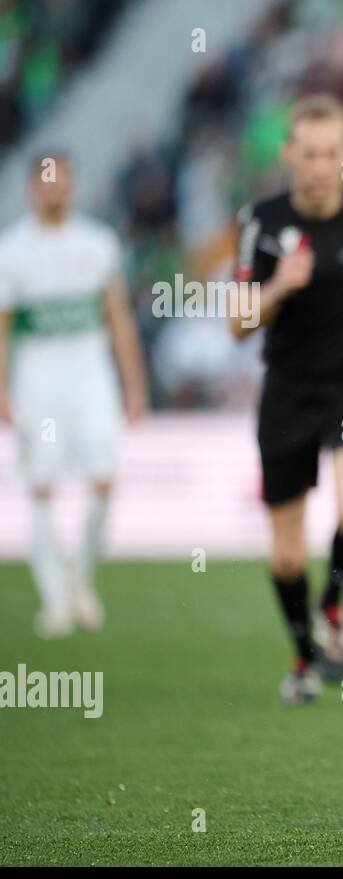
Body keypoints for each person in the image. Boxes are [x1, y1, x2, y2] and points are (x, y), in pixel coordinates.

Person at [230, 94, 343, 703]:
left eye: (330, 153)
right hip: (286, 391)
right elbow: (237, 323)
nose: (318, 165)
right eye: (307, 154)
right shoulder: (261, 220)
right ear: (289, 155)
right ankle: (304, 657)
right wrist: (279, 286)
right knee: (285, 557)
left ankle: (331, 605)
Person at [0, 152, 147, 637]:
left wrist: (133, 385)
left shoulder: (97, 242)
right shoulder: (12, 250)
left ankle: (80, 576)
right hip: (38, 381)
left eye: (61, 181)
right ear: (31, 189)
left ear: (73, 186)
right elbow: (2, 329)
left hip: (91, 380)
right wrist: (2, 389)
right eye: (45, 183)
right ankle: (54, 600)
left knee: (104, 479)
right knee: (41, 484)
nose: (53, 190)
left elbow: (118, 317)